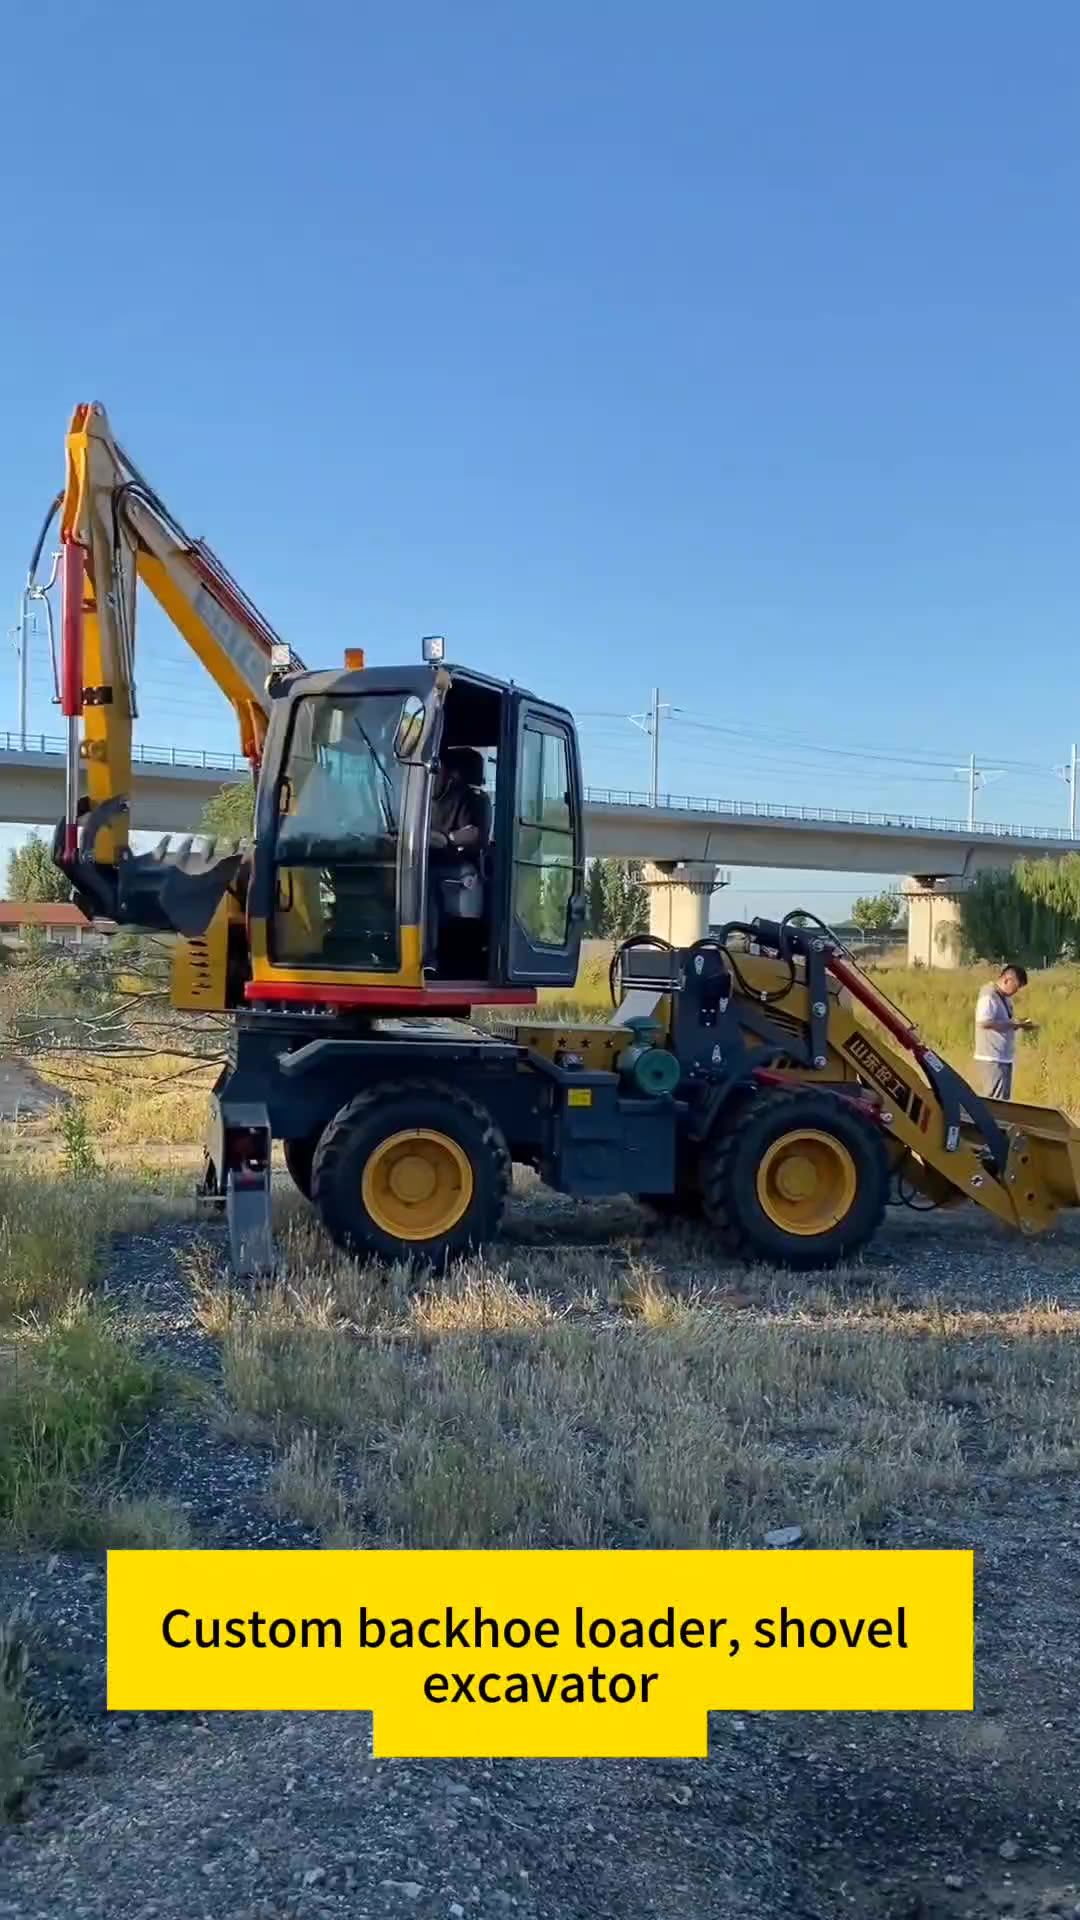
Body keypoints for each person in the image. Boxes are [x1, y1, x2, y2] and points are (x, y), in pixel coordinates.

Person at [973, 963, 1035, 1100]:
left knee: (1004, 1101)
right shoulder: (989, 995)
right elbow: (984, 1022)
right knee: (997, 1103)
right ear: (1007, 980)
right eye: (1017, 987)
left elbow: (1004, 1020)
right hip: (992, 1058)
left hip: (1003, 1057)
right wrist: (1012, 1024)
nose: (1016, 991)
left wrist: (1019, 1024)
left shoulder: (1003, 997)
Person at [429, 747, 490, 853]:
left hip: (453, 863)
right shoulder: (421, 800)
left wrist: (446, 839)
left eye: (436, 770)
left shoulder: (468, 798)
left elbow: (472, 833)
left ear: (451, 774)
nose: (430, 776)